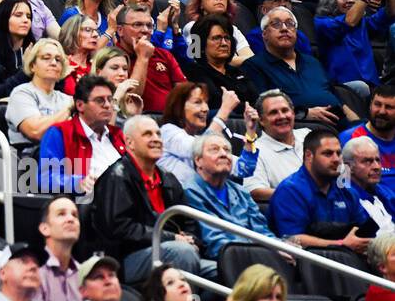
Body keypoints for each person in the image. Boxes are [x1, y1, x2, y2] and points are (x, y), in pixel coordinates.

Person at [91, 115, 206, 284]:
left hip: (170, 249)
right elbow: (120, 228)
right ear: (129, 143)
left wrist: (191, 239)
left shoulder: (168, 178)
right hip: (126, 259)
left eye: (158, 134)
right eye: (147, 134)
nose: (156, 139)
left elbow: (189, 222)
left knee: (221, 268)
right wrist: (171, 238)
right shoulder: (117, 176)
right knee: (183, 253)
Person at [245, 7, 349, 128]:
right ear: (264, 34)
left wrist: (356, 123)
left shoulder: (313, 61)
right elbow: (262, 107)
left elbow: (337, 97)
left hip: (340, 124)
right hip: (300, 128)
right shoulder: (254, 65)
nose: (284, 28)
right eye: (276, 24)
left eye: (290, 24)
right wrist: (305, 114)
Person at [269, 130, 369, 252]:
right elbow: (292, 238)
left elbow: (362, 229)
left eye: (338, 153)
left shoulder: (347, 191)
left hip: (348, 260)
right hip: (304, 264)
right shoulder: (290, 191)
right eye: (328, 154)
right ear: (308, 156)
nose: (336, 159)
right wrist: (341, 244)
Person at [181, 129, 273, 260]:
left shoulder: (241, 192)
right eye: (214, 149)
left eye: (227, 150)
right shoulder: (190, 191)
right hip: (225, 260)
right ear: (198, 161)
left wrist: (279, 248)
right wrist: (261, 255)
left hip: (257, 255)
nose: (223, 154)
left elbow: (262, 230)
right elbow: (214, 242)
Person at [38, 75, 126, 194]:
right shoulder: (60, 133)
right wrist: (77, 183)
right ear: (80, 105)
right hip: (86, 204)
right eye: (100, 100)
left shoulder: (117, 135)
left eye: (110, 100)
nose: (107, 105)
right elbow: (44, 179)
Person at [6, 38, 74, 150]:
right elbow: (35, 132)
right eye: (46, 58)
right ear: (33, 65)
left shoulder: (66, 99)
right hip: (29, 162)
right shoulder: (22, 93)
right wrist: (69, 109)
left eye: (58, 60)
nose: (53, 63)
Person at [33, 196, 82, 301]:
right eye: (61, 214)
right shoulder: (34, 271)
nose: (70, 219)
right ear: (44, 229)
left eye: (75, 215)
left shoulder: (84, 273)